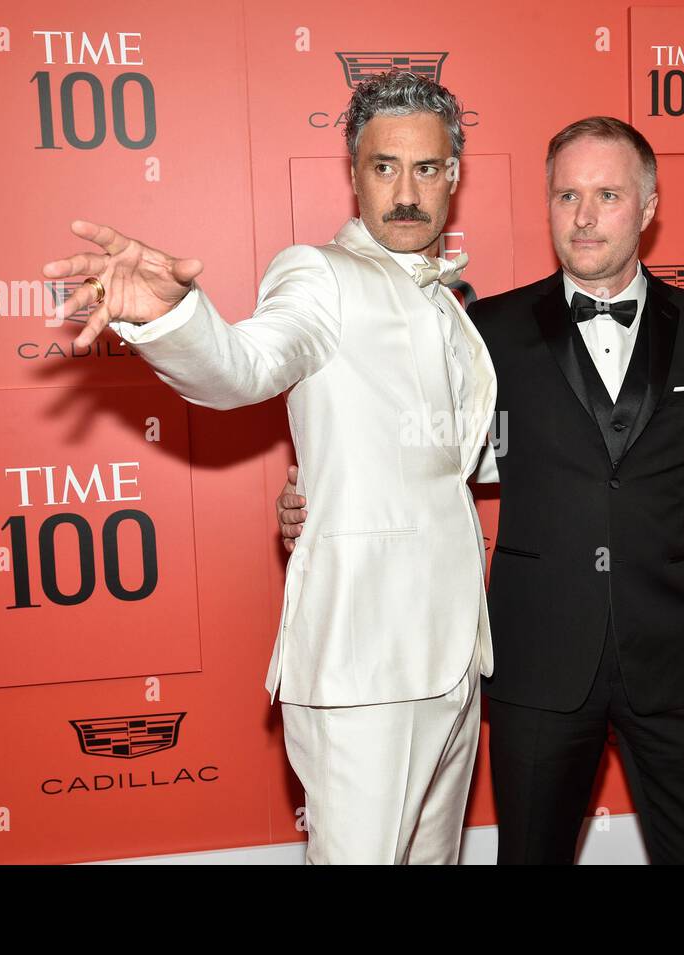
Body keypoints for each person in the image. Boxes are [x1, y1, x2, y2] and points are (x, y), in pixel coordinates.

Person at [42, 69, 497, 865]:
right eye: (383, 167)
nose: (405, 191)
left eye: (426, 168)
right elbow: (244, 365)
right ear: (353, 174)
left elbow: (440, 459)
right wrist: (175, 317)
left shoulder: (448, 301)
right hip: (363, 667)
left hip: (455, 656)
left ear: (453, 176)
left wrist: (317, 489)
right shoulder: (318, 276)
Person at [278, 116, 684, 864]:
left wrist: (642, 534)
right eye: (567, 195)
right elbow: (426, 454)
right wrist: (316, 498)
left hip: (672, 656)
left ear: (650, 205)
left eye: (607, 194)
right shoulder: (488, 328)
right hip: (535, 657)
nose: (586, 216)